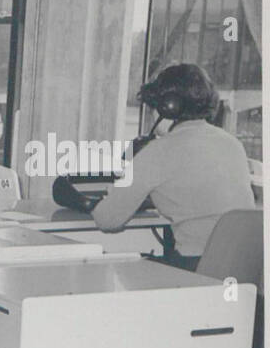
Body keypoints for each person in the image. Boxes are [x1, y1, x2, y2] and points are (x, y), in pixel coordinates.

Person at [90, 63, 255, 269]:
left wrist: (110, 193)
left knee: (117, 270)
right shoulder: (231, 143)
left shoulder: (159, 150)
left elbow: (107, 220)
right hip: (243, 268)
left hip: (196, 268)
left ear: (168, 108)